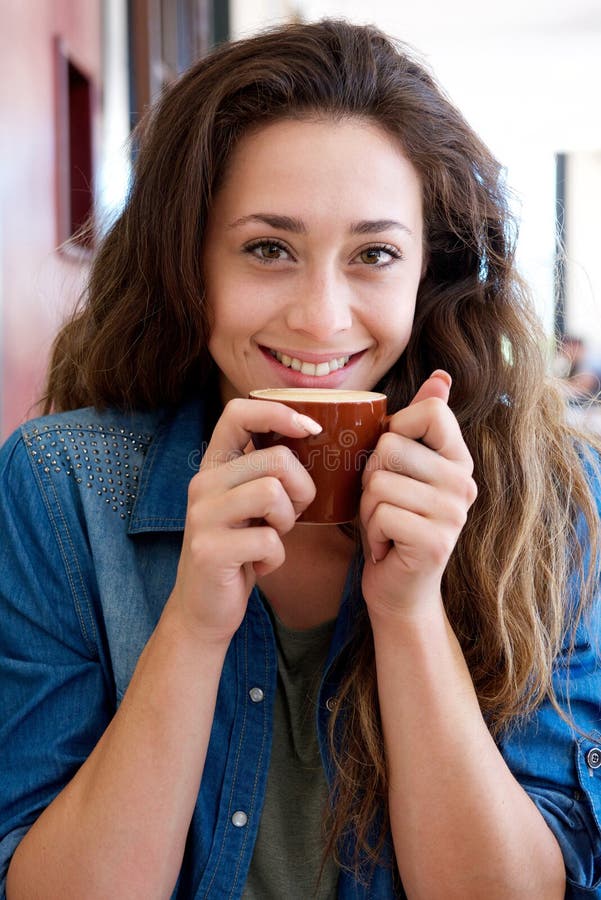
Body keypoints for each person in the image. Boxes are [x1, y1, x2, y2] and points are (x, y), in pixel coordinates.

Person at [1, 18, 600, 900]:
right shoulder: (61, 490)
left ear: (426, 271)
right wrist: (195, 624)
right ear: (189, 262)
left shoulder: (549, 497)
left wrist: (407, 615)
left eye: (374, 255)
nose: (321, 319)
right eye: (268, 248)